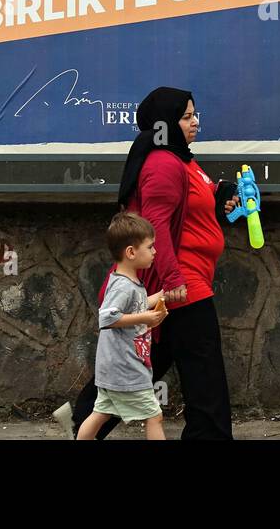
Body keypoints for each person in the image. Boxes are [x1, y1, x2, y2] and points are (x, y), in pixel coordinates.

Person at [67, 86, 240, 440]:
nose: (196, 122)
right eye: (187, 116)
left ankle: (79, 417)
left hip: (178, 281)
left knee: (145, 361)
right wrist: (175, 278)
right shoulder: (163, 162)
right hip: (183, 283)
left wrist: (219, 197)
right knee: (204, 373)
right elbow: (156, 224)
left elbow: (190, 204)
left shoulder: (182, 158)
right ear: (165, 122)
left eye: (195, 114)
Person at [75, 212, 168, 440]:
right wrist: (145, 319)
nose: (155, 251)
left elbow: (135, 306)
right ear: (131, 252)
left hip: (115, 369)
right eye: (150, 246)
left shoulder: (128, 282)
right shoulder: (123, 286)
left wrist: (163, 295)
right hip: (126, 369)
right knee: (154, 416)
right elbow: (107, 317)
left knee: (100, 414)